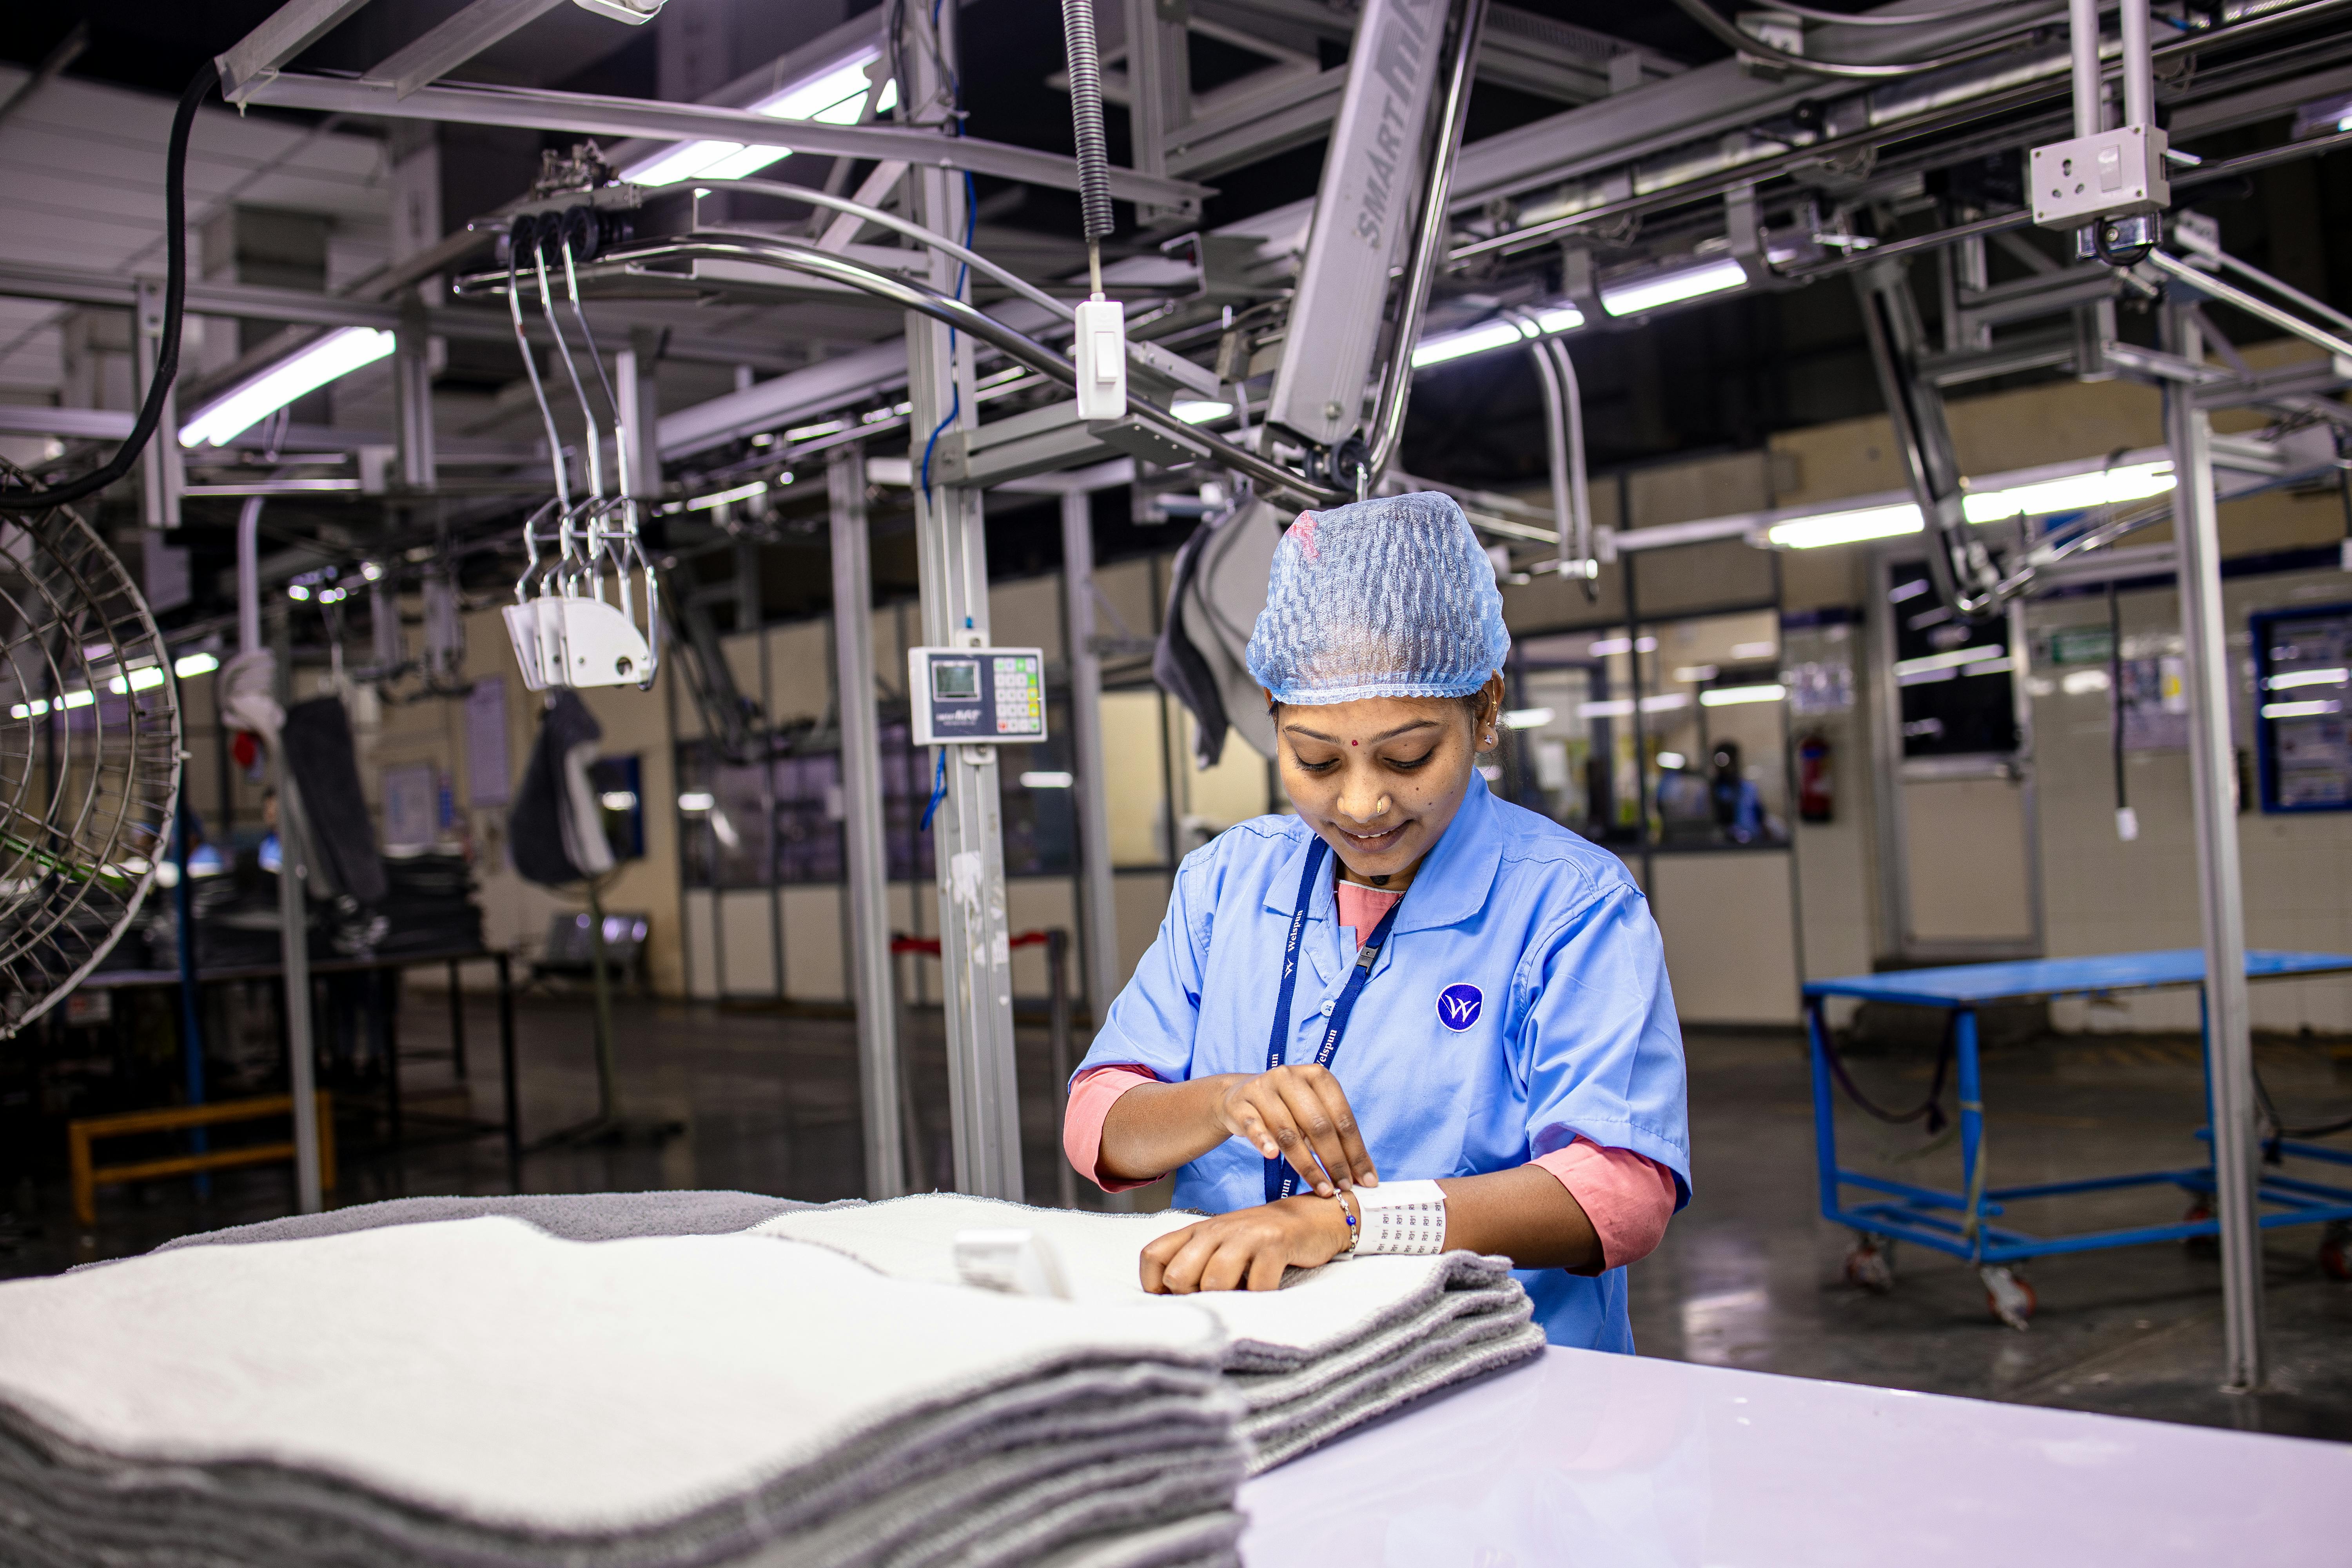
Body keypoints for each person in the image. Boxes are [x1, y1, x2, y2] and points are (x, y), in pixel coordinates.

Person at [1063, 492, 1691, 1353]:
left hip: (1499, 1379)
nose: (1361, 804)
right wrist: (1224, 1100)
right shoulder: (1228, 881)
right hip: (1256, 1362)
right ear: (1274, 719)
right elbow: (1100, 1121)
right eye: (1316, 759)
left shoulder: (1571, 905)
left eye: (1408, 756)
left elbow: (1620, 1188)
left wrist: (1351, 1221)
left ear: (1487, 708)